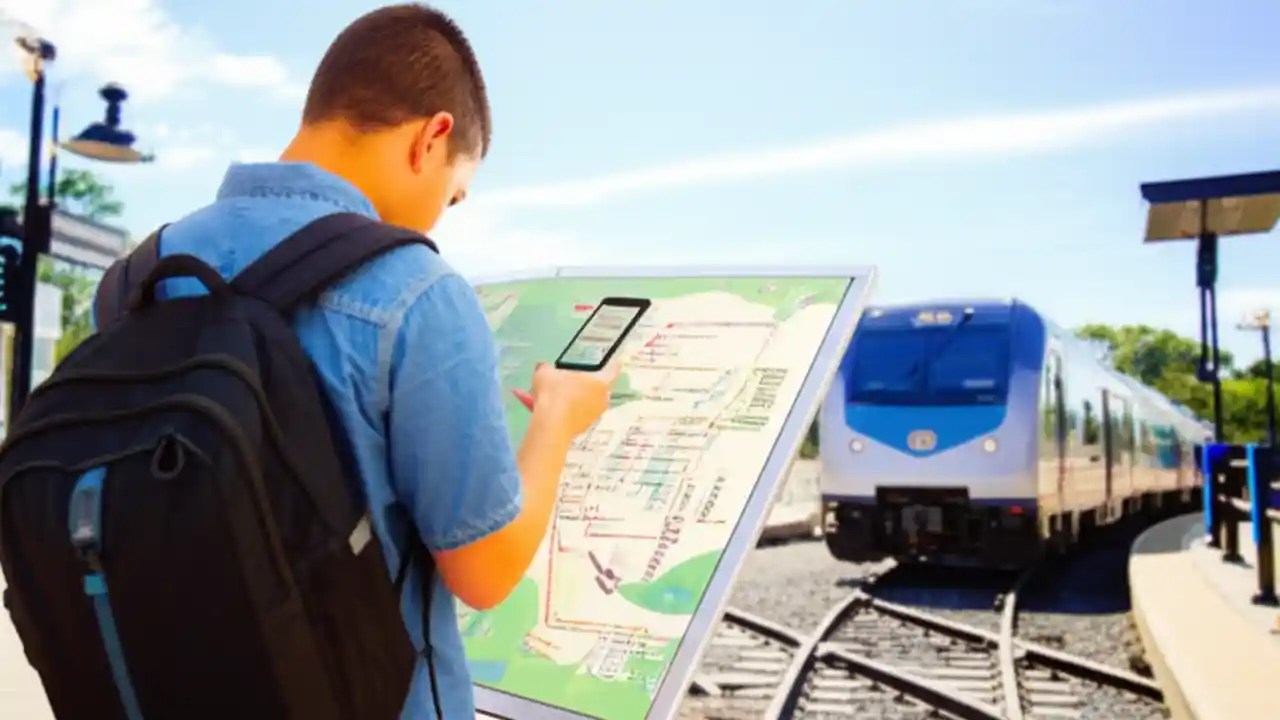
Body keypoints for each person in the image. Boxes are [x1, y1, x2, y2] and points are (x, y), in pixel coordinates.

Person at [147, 4, 617, 717]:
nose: (442, 213)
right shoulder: (416, 292)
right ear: (432, 137)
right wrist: (556, 421)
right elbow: (485, 572)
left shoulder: (143, 274)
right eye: (454, 195)